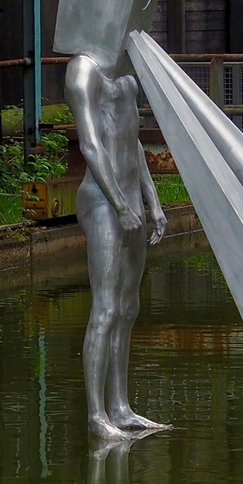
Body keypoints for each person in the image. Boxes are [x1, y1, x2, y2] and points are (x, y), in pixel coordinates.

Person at [66, 44, 169, 439]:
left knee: (128, 306)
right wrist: (119, 204)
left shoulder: (124, 67)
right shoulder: (83, 69)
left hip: (130, 201)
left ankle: (121, 407)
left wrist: (152, 201)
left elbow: (133, 140)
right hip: (103, 200)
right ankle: (96, 416)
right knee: (106, 307)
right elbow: (91, 145)